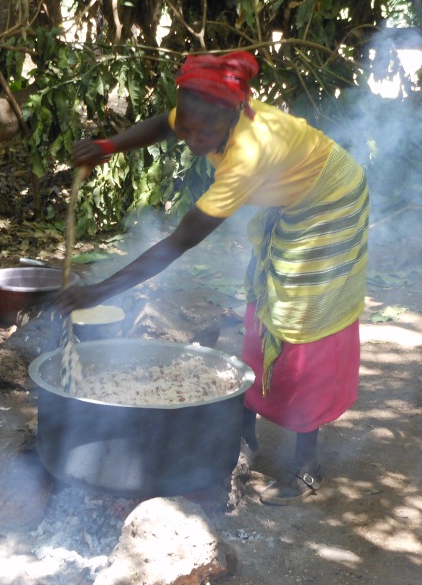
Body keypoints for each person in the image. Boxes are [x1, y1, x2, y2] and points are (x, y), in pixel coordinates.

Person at [58, 51, 369, 505]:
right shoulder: (203, 115)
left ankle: (306, 466)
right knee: (263, 300)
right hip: (293, 199)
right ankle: (245, 426)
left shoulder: (247, 157)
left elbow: (179, 241)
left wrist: (100, 291)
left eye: (203, 132)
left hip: (331, 201)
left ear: (233, 116)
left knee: (303, 323)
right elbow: (164, 124)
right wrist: (109, 146)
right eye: (188, 129)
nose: (192, 140)